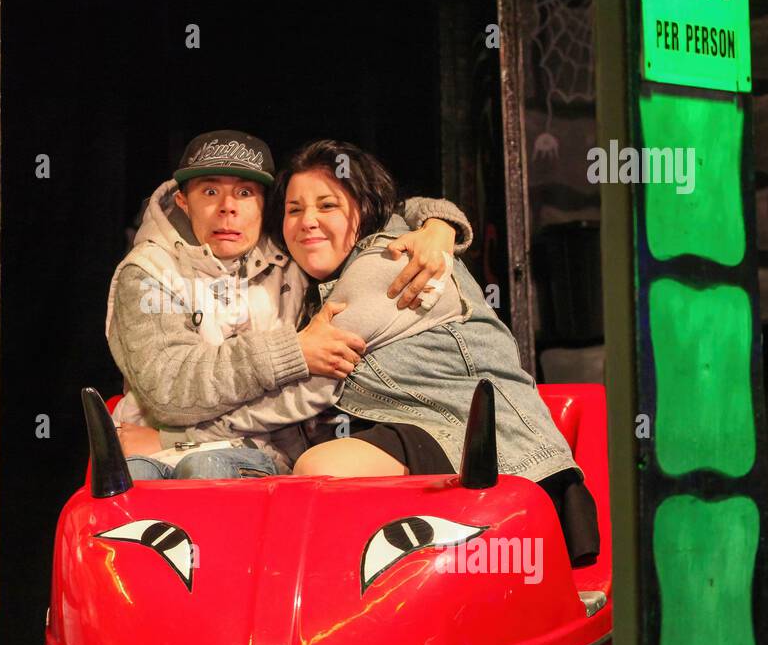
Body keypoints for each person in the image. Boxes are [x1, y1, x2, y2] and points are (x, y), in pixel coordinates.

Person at [172, 140, 599, 564]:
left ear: (365, 207)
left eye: (328, 205)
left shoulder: (387, 264)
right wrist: (438, 221)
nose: (308, 222)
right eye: (294, 210)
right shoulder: (339, 275)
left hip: (490, 449)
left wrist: (175, 438)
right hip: (436, 430)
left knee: (319, 470)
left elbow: (304, 393)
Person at [107, 129, 474, 480]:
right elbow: (171, 390)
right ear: (183, 202)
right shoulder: (148, 273)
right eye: (210, 191)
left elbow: (379, 207)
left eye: (246, 193)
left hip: (262, 451)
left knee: (205, 472)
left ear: (265, 204)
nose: (227, 208)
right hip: (149, 441)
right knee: (136, 479)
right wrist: (291, 351)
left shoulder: (295, 252)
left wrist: (439, 224)